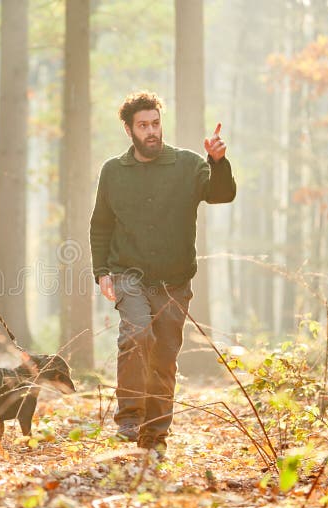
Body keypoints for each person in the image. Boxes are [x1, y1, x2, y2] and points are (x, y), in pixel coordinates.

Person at [89, 91, 236, 454]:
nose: (151, 131)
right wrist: (101, 271)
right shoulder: (113, 171)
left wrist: (218, 162)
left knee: (164, 359)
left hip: (174, 280)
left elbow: (221, 194)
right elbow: (101, 225)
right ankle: (129, 417)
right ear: (129, 130)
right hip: (129, 274)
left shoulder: (187, 164)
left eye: (155, 123)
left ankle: (153, 438)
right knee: (137, 334)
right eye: (143, 126)